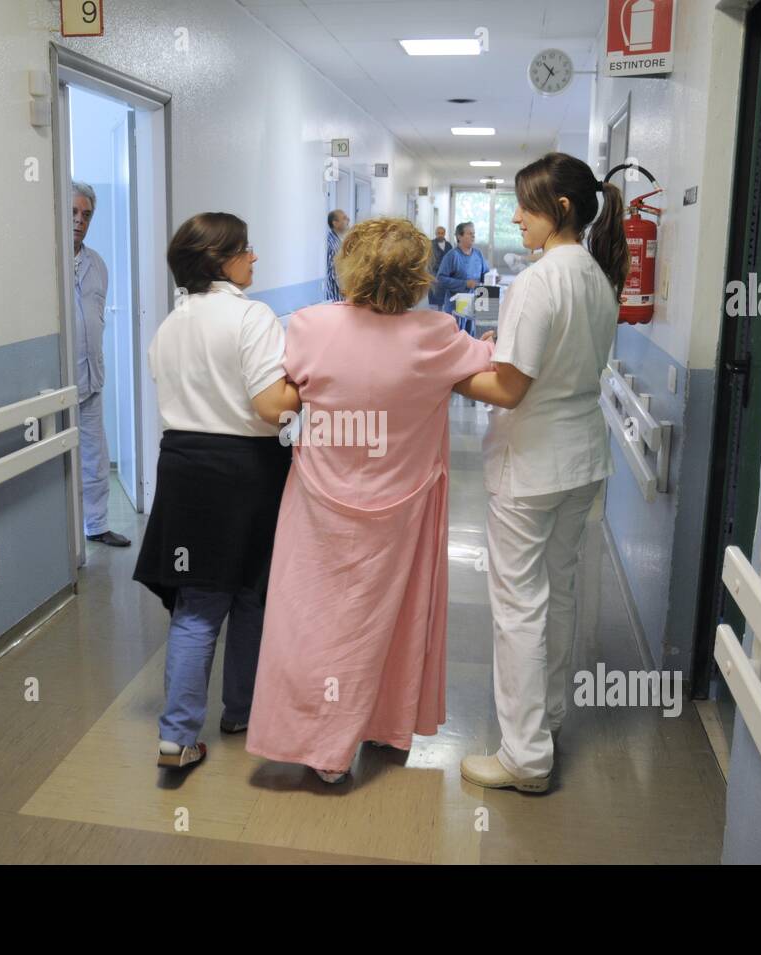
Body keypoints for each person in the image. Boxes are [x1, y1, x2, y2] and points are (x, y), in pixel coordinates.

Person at [246, 217, 495, 784]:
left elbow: (279, 402)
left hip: (319, 505)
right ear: (416, 276)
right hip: (402, 508)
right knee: (393, 616)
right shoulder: (436, 336)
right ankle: (385, 722)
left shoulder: (310, 326)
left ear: (350, 267)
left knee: (313, 621)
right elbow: (493, 374)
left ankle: (318, 741)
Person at [454, 152, 628, 792]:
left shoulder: (538, 282)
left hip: (531, 468)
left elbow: (509, 387)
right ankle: (547, 722)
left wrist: (442, 370)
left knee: (519, 608)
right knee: (559, 595)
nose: (516, 219)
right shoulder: (598, 277)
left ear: (558, 210)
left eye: (525, 207)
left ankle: (524, 757)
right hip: (580, 461)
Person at [133, 213, 301, 770]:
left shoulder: (170, 323)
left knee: (197, 600)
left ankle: (180, 735)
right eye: (245, 250)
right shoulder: (251, 317)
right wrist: (304, 388)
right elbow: (271, 407)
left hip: (183, 469)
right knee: (251, 592)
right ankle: (240, 711)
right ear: (219, 260)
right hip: (245, 471)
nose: (254, 258)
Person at [71, 182, 130, 547]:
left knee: (96, 458)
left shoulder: (97, 264)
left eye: (87, 215)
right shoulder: (46, 261)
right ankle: (65, 537)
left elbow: (96, 317)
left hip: (92, 376)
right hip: (60, 383)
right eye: (74, 213)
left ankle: (97, 525)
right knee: (61, 464)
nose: (80, 221)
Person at [434, 221, 489, 334]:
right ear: (459, 236)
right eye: (470, 233)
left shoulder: (478, 254)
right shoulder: (452, 255)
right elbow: (440, 279)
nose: (473, 236)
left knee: (471, 337)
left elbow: (485, 273)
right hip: (456, 306)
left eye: (474, 233)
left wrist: (492, 277)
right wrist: (465, 284)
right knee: (456, 337)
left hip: (474, 304)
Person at [324, 209, 349, 301]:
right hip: (335, 295)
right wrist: (345, 288)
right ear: (335, 223)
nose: (348, 220)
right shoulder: (331, 243)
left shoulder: (338, 240)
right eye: (344, 218)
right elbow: (335, 270)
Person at [427, 225, 453, 308]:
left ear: (444, 234)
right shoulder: (430, 244)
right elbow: (428, 258)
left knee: (444, 292)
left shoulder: (449, 245)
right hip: (434, 271)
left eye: (442, 233)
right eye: (438, 233)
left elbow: (451, 258)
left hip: (445, 272)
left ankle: (442, 308)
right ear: (435, 234)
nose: (440, 235)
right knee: (434, 291)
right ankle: (433, 311)